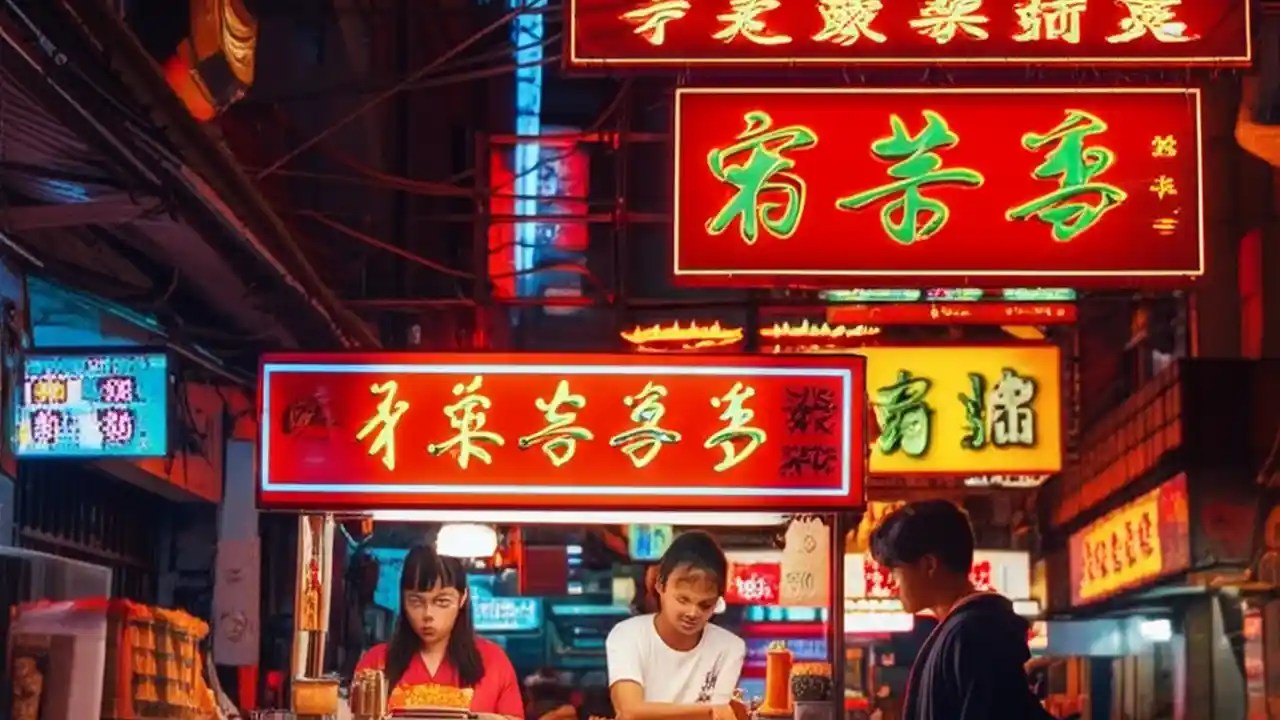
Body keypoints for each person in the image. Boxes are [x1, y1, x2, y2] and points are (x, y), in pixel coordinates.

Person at [869, 500, 1052, 720]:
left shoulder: (974, 633)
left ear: (929, 565)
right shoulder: (965, 629)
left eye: (895, 572)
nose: (891, 583)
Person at [355, 544, 522, 718]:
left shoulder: (493, 662)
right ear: (403, 600)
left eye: (442, 602)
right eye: (416, 601)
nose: (428, 614)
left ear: (462, 598)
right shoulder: (376, 664)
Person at [606, 531, 747, 720]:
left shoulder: (730, 647)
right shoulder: (627, 635)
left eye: (705, 605)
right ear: (660, 585)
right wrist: (709, 711)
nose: (693, 613)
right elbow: (629, 711)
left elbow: (721, 716)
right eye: (683, 600)